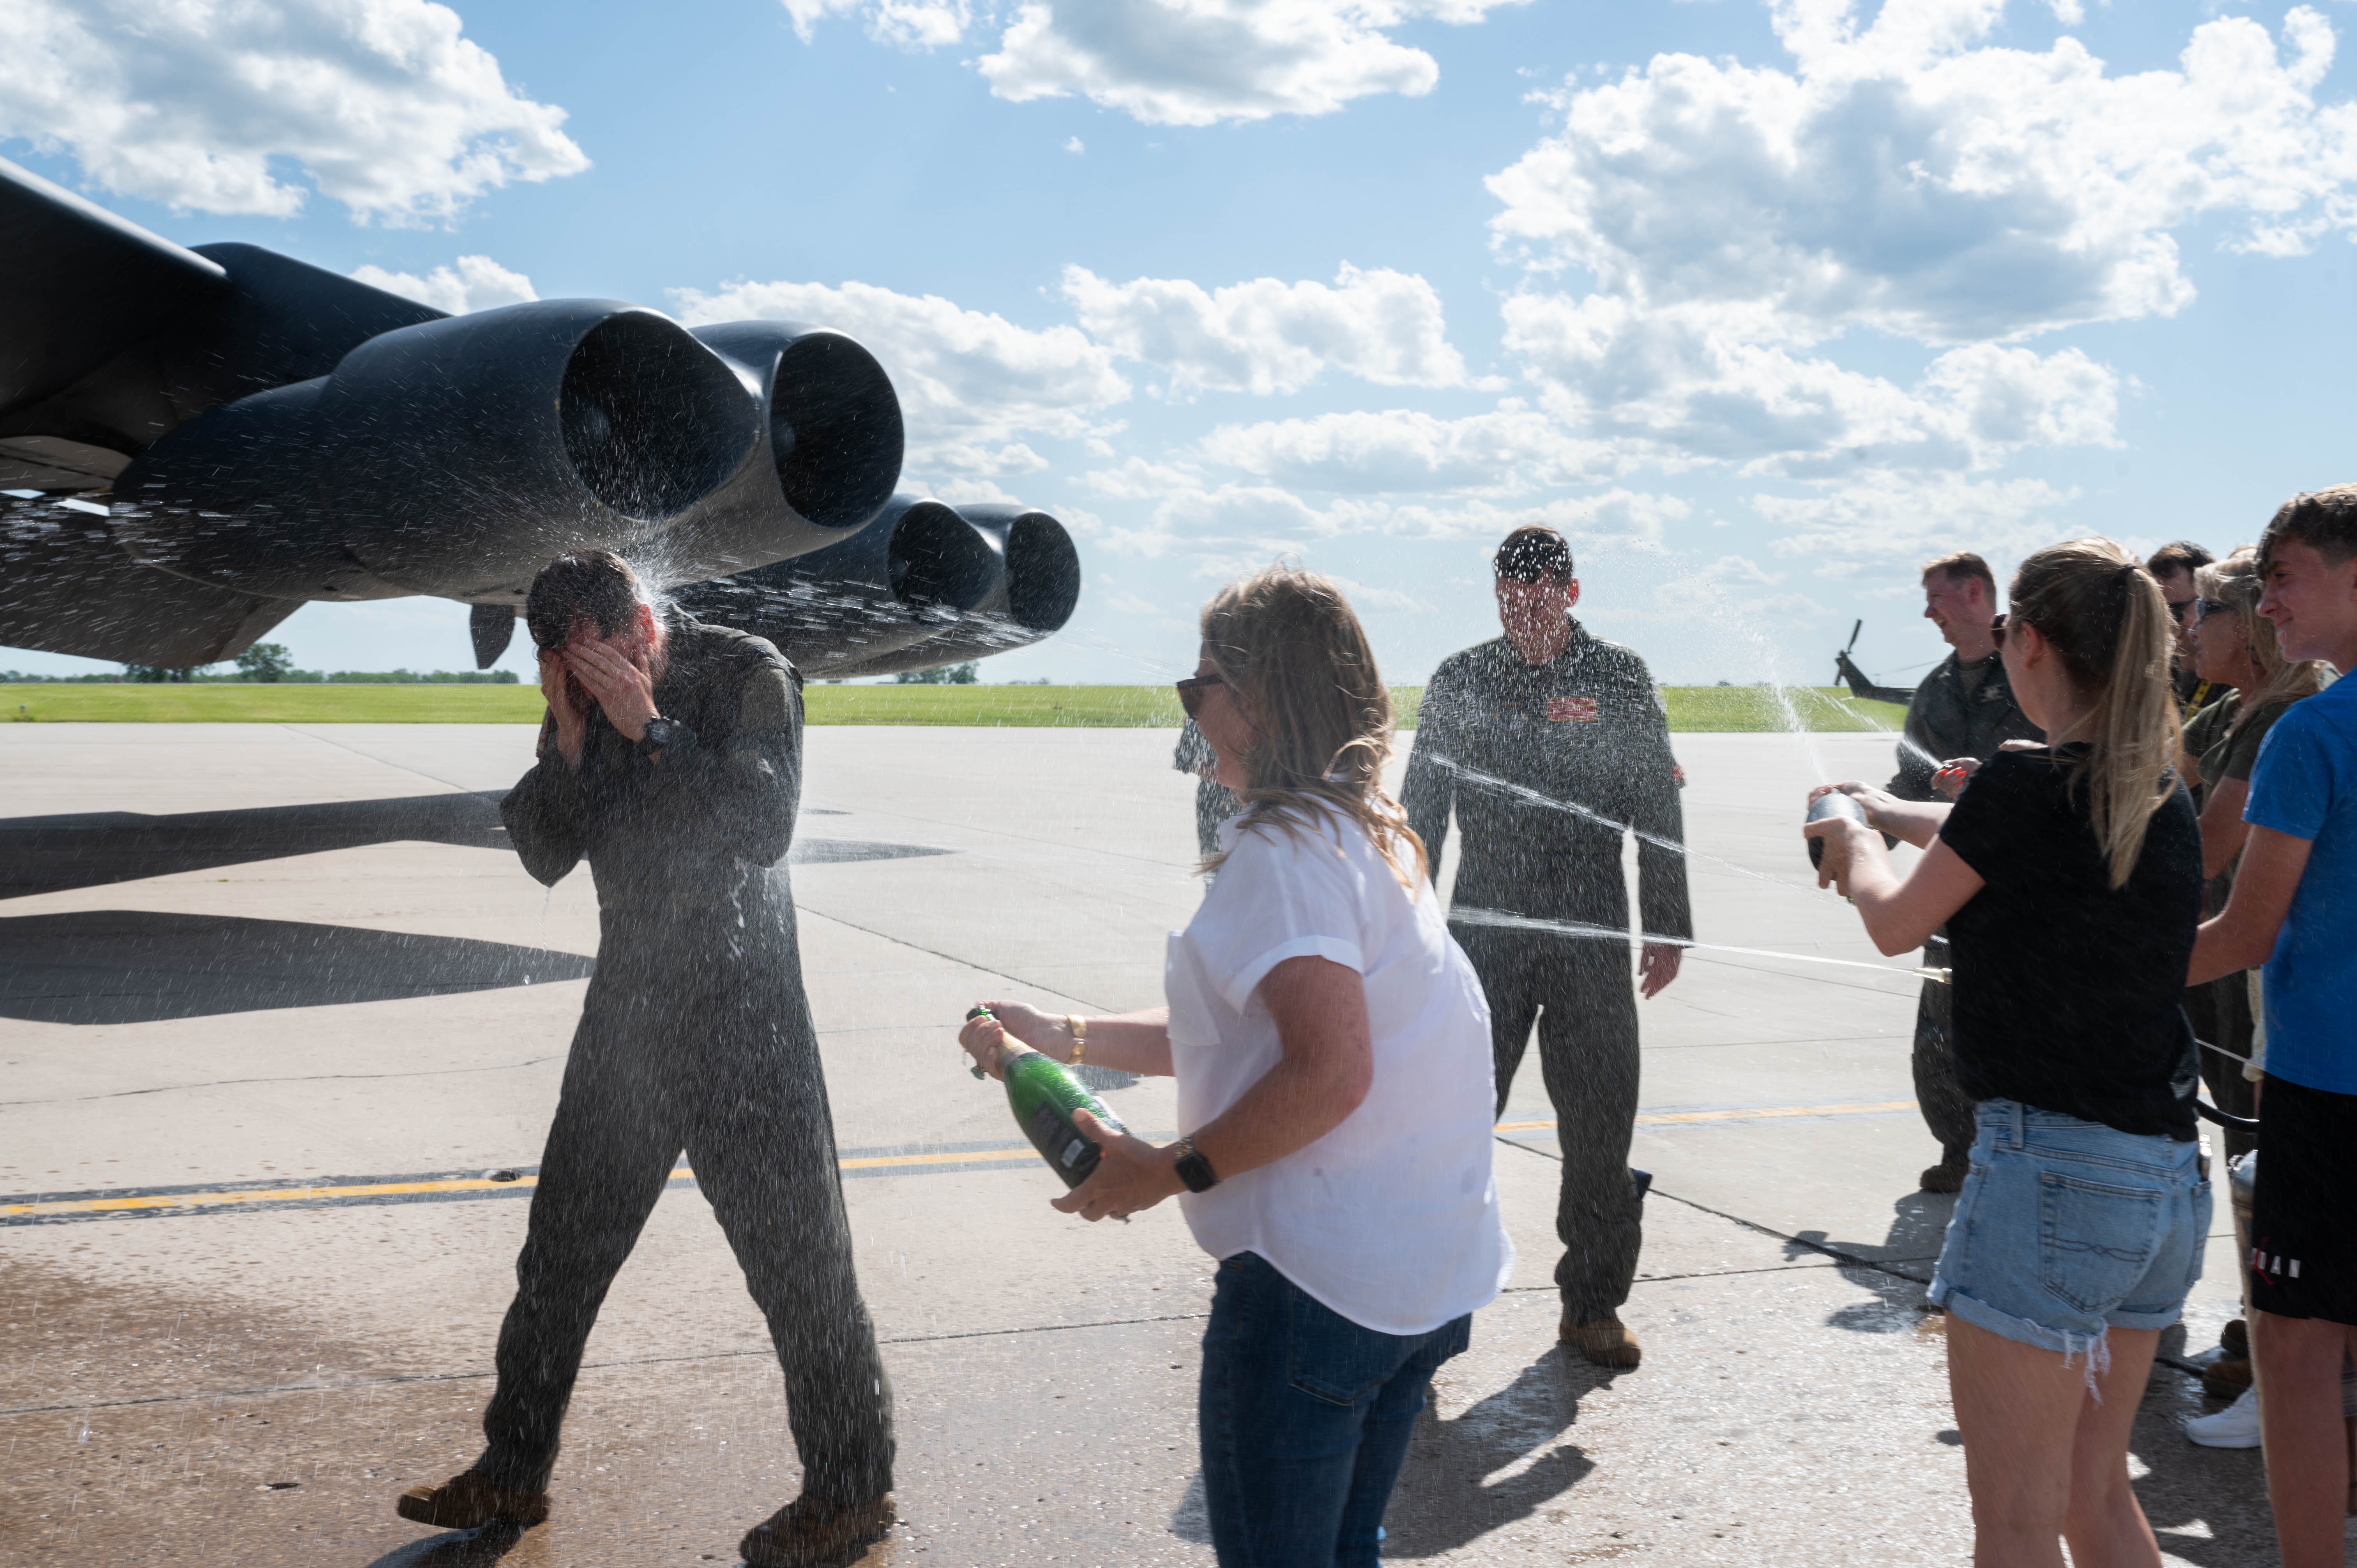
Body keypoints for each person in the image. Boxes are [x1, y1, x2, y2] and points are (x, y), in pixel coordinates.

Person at [960, 566, 1512, 1568]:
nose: (1190, 707)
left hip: (1317, 1288)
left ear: (1259, 701)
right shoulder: (1361, 829)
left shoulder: (1284, 854)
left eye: (1200, 683)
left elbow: (1330, 1071)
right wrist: (1062, 1032)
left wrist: (1165, 1170)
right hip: (1415, 1278)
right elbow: (1236, 1036)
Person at [396, 551, 896, 1568]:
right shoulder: (580, 698)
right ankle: (513, 1467)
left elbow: (763, 826)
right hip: (629, 1022)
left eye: (612, 658)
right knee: (558, 1260)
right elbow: (544, 852)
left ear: (646, 623)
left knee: (803, 1277)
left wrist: (652, 728)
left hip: (747, 1030)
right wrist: (571, 741)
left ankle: (850, 1496)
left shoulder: (748, 671)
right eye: (573, 670)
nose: (601, 677)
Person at [1807, 537, 2209, 1568]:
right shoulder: (2152, 789)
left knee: (2017, 1522)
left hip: (2051, 1178)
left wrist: (1854, 838)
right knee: (2092, 1492)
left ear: (2026, 641)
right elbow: (1985, 827)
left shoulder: (2024, 784)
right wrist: (1888, 807)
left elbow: (1896, 920)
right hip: (2163, 1182)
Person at [1399, 525, 1688, 1369]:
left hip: (1590, 924)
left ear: (1571, 592)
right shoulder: (1461, 677)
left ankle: (1592, 1304)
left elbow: (1656, 803)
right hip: (1484, 926)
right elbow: (1421, 807)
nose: (1521, 613)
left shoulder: (1619, 677)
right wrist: (1406, 923)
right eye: (1508, 599)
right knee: (1452, 1118)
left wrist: (1666, 921)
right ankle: (1421, 1311)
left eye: (1537, 597)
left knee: (1600, 1122)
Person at [2187, 486, 2357, 1568]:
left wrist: (2101, 971)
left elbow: (2244, 932)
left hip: (2330, 1091)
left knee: (2295, 1354)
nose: (2266, 603)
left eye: (2285, 577)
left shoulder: (2313, 733)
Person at [1891, 552, 2044, 1194]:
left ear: (1974, 592)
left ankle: (2015, 1153)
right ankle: (1960, 1148)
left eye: (1937, 597)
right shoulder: (1935, 689)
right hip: (1950, 892)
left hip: (2025, 892)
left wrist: (1999, 779)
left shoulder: (2031, 666)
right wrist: (1861, 825)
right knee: (1938, 1031)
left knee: (2018, 1029)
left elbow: (2069, 755)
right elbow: (1909, 779)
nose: (1928, 611)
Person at [2147, 539, 2218, 715]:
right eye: (2155, 611)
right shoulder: (2147, 675)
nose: (2166, 623)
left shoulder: (2237, 678)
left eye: (2175, 611)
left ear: (2209, 601)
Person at [1173, 716, 1241, 858]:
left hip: (1245, 798)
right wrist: (1219, 774)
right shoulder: (1204, 712)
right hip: (1213, 798)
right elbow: (1183, 758)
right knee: (1213, 858)